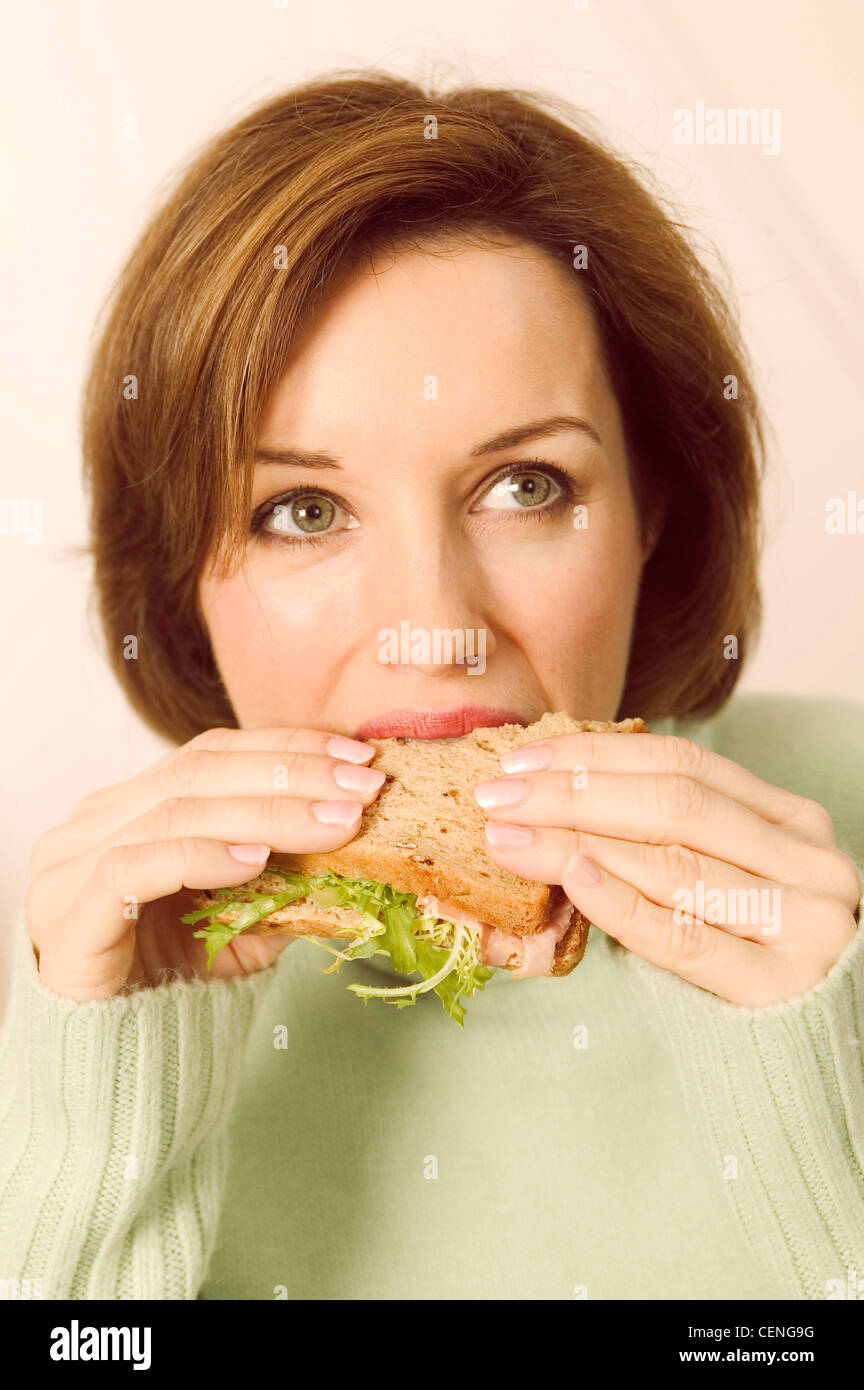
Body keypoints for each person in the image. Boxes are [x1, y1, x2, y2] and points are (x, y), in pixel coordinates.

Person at [2, 71, 862, 1301]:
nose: (434, 631)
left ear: (654, 513)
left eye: (527, 486)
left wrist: (823, 1127)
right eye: (302, 510)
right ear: (182, 571)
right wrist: (111, 1116)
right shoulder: (82, 968)